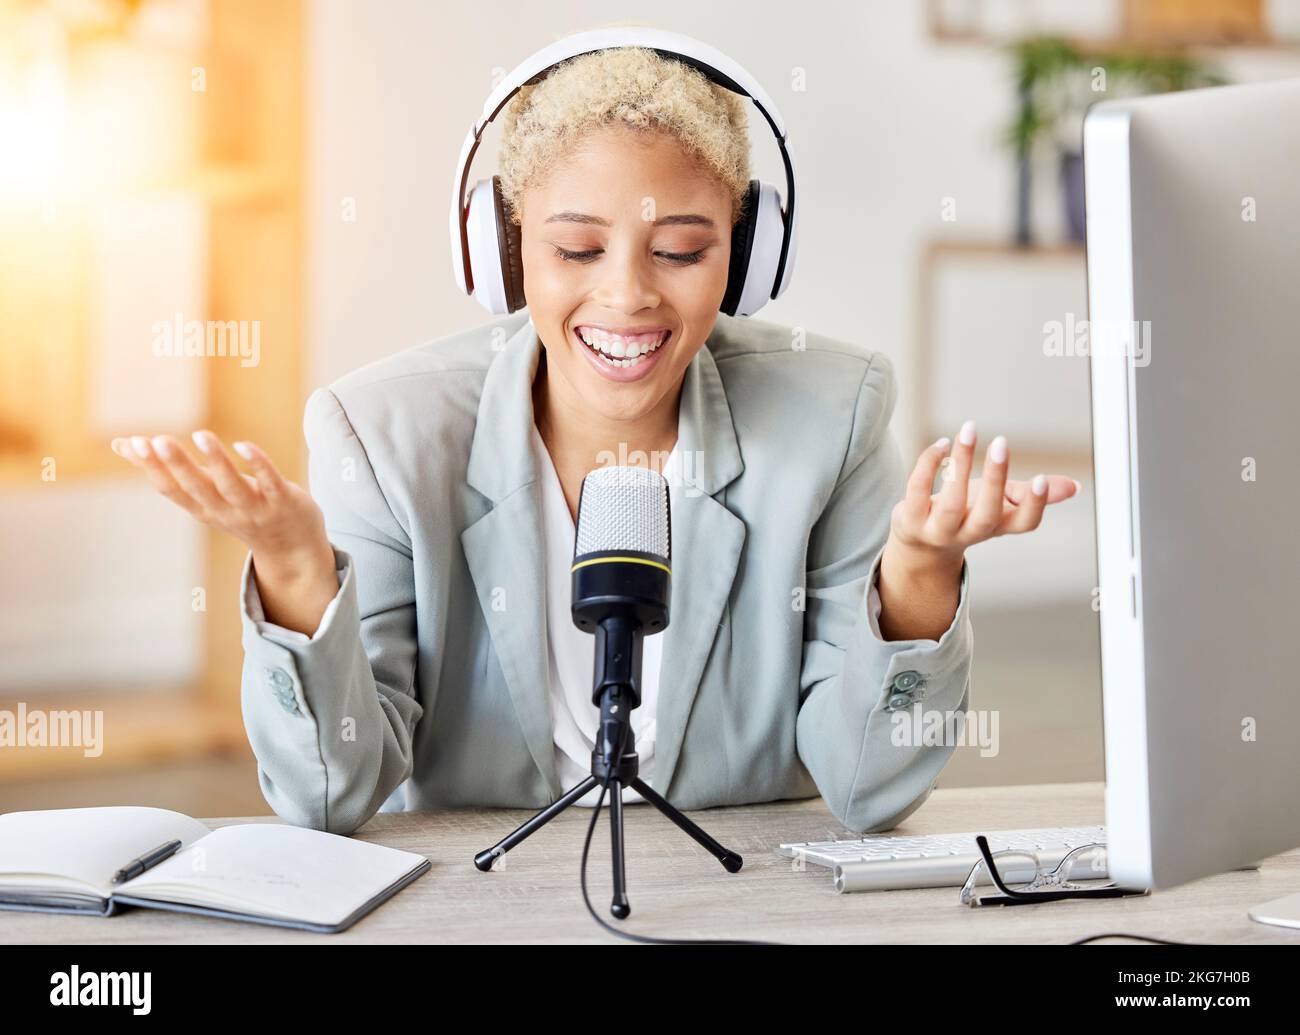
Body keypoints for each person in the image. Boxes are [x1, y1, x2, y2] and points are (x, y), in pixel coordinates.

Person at [110, 44, 1078, 835]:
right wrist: (292, 572)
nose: (627, 295)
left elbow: (868, 787)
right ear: (504, 249)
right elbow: (332, 794)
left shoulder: (830, 419)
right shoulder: (384, 439)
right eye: (575, 249)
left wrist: (914, 577)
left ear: (745, 255)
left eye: (682, 251)